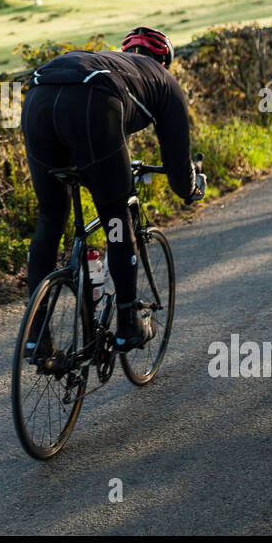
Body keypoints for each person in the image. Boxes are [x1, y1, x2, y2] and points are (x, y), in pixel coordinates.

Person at [20, 27, 201, 351]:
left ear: (125, 51)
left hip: (38, 95)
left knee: (50, 216)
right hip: (92, 100)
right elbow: (177, 165)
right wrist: (192, 189)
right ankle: (128, 323)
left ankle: (37, 335)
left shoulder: (109, 62)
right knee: (116, 215)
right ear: (164, 60)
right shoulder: (164, 81)